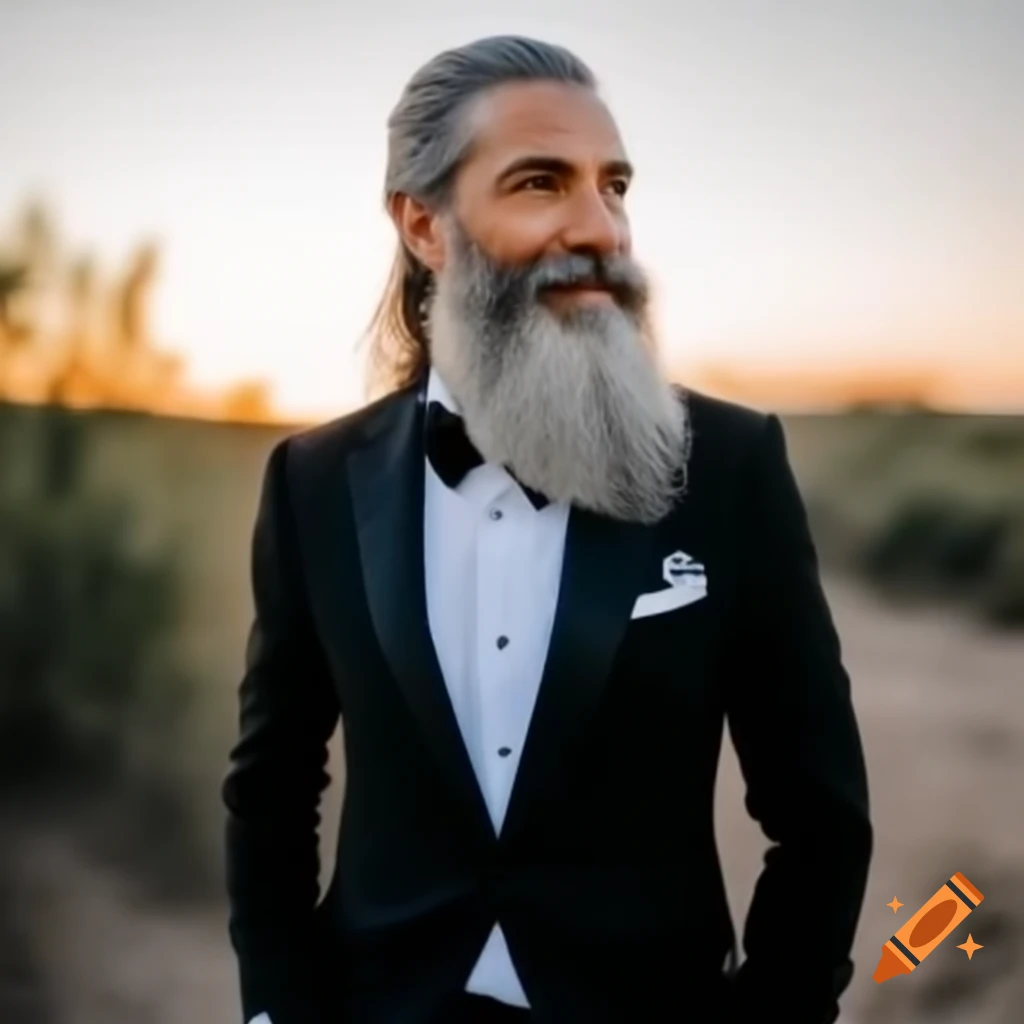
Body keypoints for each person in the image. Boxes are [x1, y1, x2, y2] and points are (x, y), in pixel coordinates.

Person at [222, 35, 873, 1024]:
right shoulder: (311, 480)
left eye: (614, 186)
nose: (602, 227)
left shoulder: (730, 466)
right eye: (541, 182)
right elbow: (271, 789)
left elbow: (817, 817)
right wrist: (277, 1006)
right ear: (424, 224)